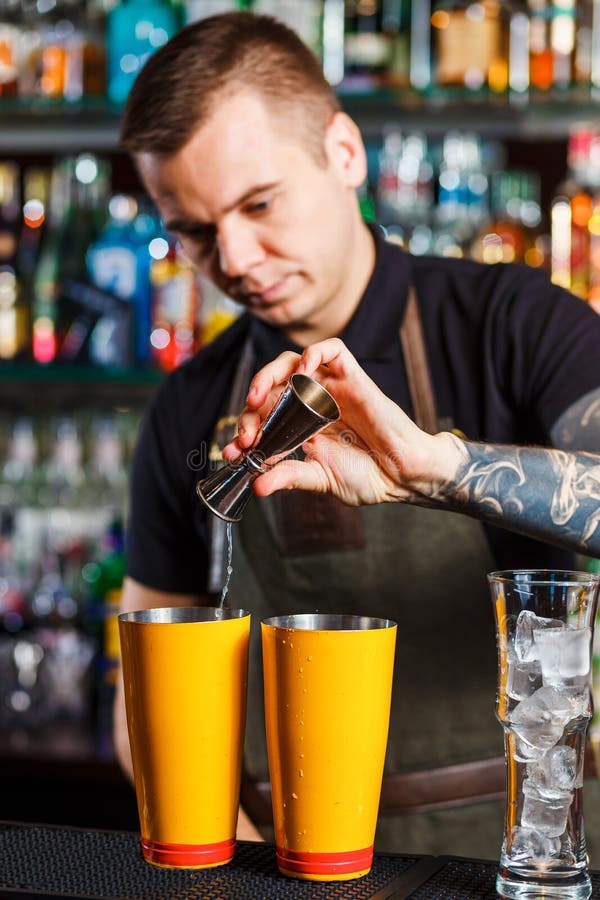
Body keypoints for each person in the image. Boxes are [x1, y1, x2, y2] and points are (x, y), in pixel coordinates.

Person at [114, 11, 600, 857]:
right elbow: (145, 696)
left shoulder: (514, 325)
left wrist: (437, 468)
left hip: (514, 862)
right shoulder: (191, 407)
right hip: (281, 865)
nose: (233, 257)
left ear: (344, 153)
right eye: (192, 229)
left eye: (258, 203)